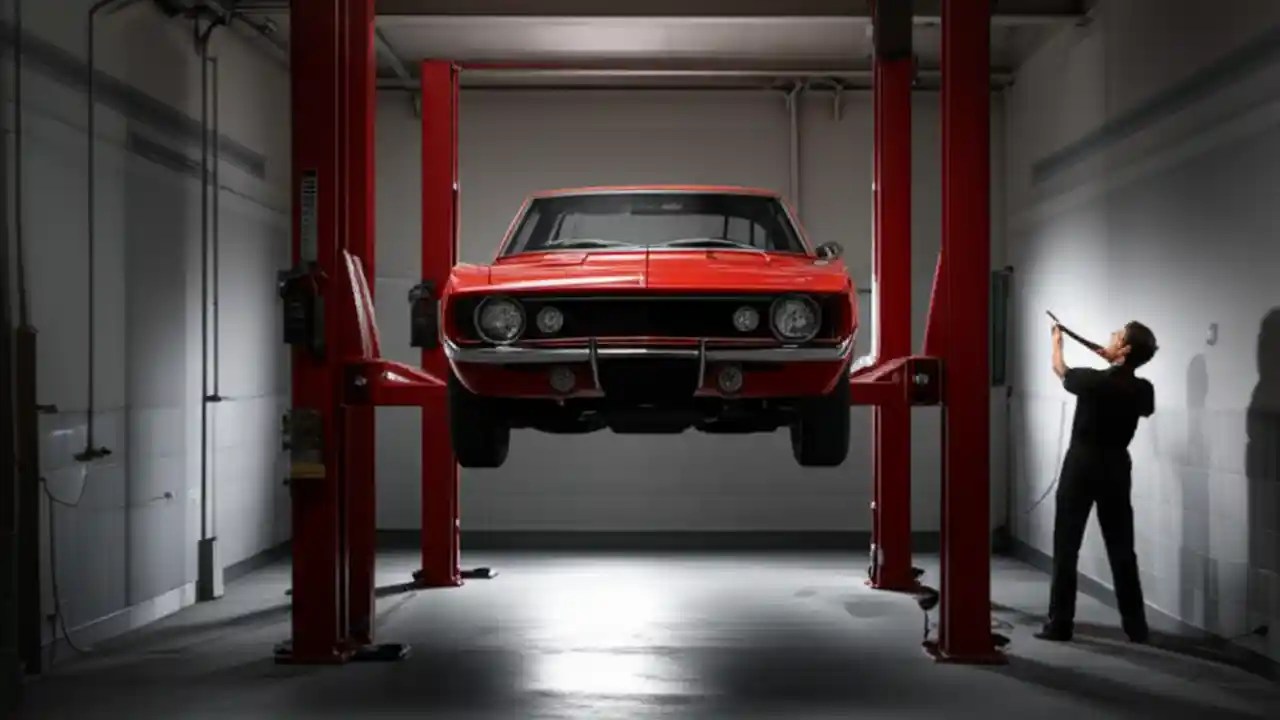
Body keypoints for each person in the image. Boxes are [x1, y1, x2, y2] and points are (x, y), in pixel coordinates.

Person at [1036, 320, 1158, 643]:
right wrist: (1116, 362)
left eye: (1117, 335)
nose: (1111, 335)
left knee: (1067, 546)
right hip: (1117, 466)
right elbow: (1130, 392)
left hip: (1082, 465)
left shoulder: (1093, 381)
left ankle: (1060, 623)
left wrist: (1056, 341)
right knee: (1122, 548)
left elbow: (1060, 369)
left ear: (1125, 349)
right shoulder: (1143, 390)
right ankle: (1137, 628)